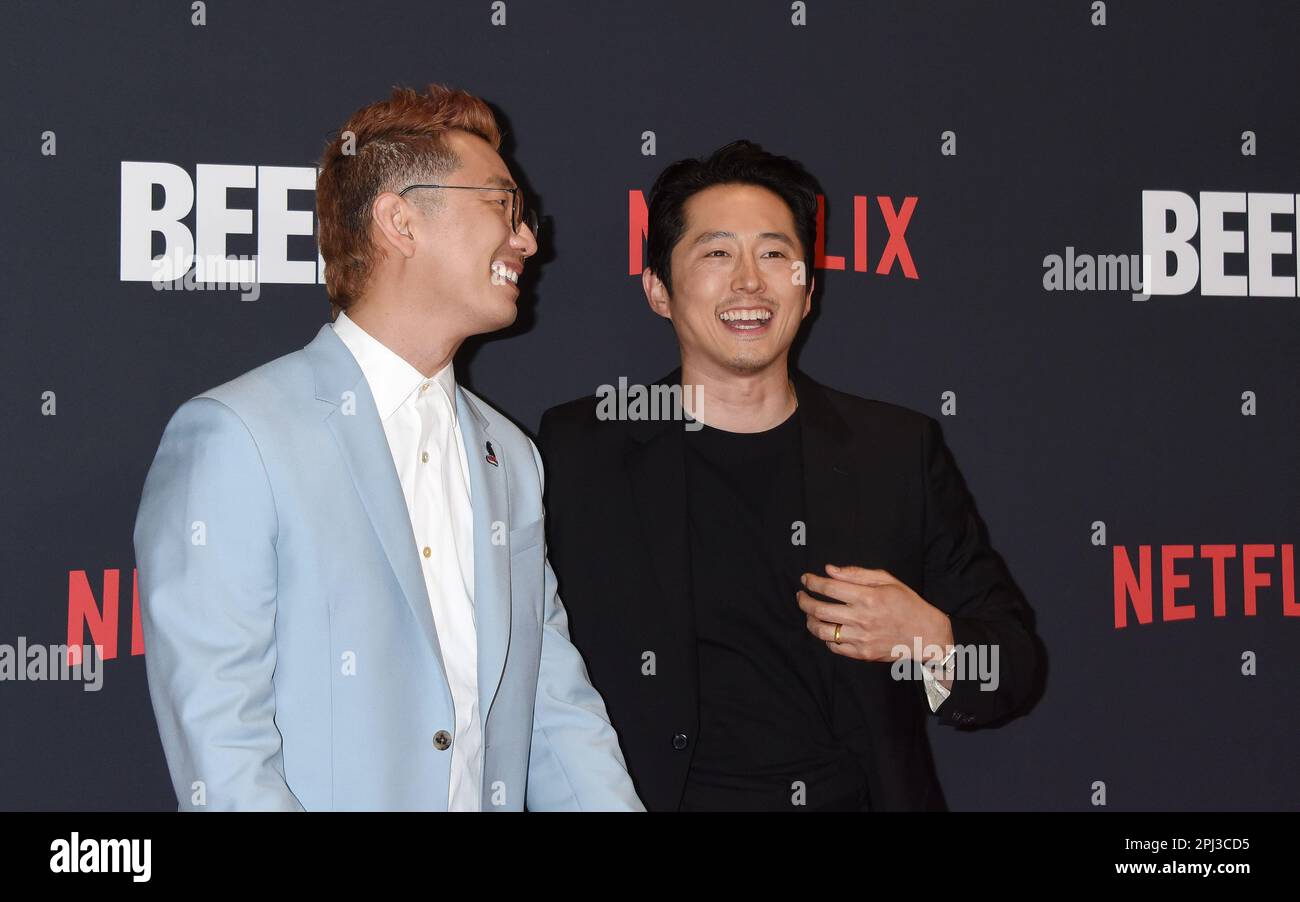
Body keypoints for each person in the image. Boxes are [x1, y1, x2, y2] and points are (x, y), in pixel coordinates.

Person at [134, 84, 642, 811]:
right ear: (401, 220)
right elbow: (221, 745)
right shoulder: (238, 435)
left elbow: (552, 703)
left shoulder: (511, 456)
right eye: (502, 205)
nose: (527, 239)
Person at [538, 140, 1043, 811]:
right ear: (658, 289)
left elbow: (1014, 668)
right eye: (717, 253)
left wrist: (928, 638)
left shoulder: (894, 451)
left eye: (776, 254)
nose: (750, 280)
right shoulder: (581, 450)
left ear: (808, 290)